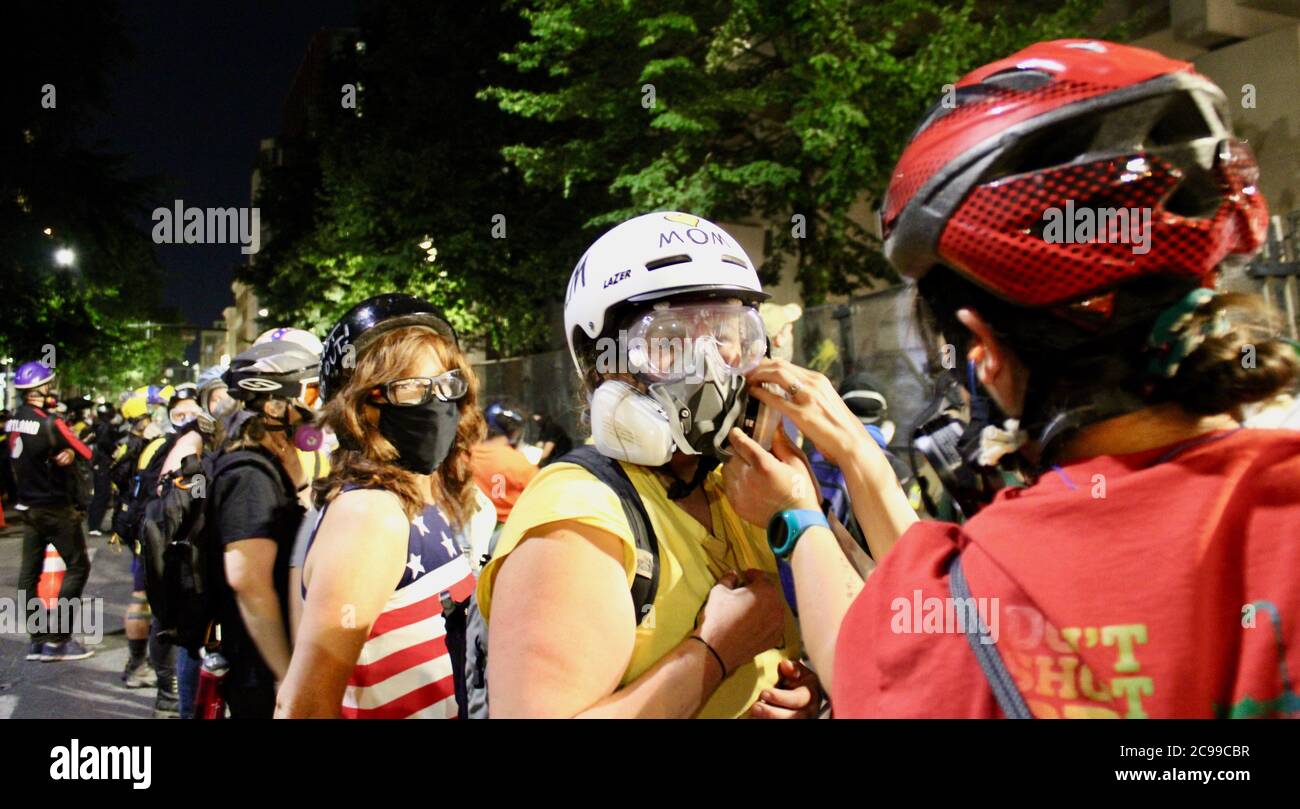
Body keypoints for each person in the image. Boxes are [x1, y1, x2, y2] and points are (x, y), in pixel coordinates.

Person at [736, 40, 1300, 718]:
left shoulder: (976, 598)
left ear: (982, 347)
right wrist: (856, 457)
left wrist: (794, 514)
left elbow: (880, 646)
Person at [476, 212, 816, 718]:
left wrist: (798, 689)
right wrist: (714, 653)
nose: (710, 361)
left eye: (728, 332)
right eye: (671, 339)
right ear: (602, 362)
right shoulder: (580, 516)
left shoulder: (737, 487)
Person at [276, 294, 484, 718]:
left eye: (447, 384)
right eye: (410, 388)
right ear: (360, 406)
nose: (437, 403)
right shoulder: (371, 515)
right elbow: (303, 705)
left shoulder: (420, 500)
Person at [208, 339, 319, 717]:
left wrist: (298, 481)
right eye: (310, 393)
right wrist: (285, 674)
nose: (314, 408)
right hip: (259, 666)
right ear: (274, 404)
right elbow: (248, 582)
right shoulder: (250, 475)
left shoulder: (268, 464)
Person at [7, 360, 95, 662]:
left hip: (27, 508)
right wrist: (71, 449)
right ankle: (58, 639)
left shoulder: (14, 420)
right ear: (40, 389)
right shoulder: (51, 422)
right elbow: (86, 452)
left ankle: (37, 638)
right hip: (55, 507)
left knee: (28, 575)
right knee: (77, 566)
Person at [470, 400, 537, 537]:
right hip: (509, 533)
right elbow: (540, 500)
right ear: (512, 431)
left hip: (471, 529)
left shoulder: (462, 457)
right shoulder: (519, 463)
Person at [86, 403, 120, 536]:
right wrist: (114, 450)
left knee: (102, 494)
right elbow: (104, 443)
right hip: (102, 464)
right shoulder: (104, 426)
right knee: (102, 494)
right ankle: (94, 525)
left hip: (100, 463)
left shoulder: (98, 425)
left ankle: (94, 524)